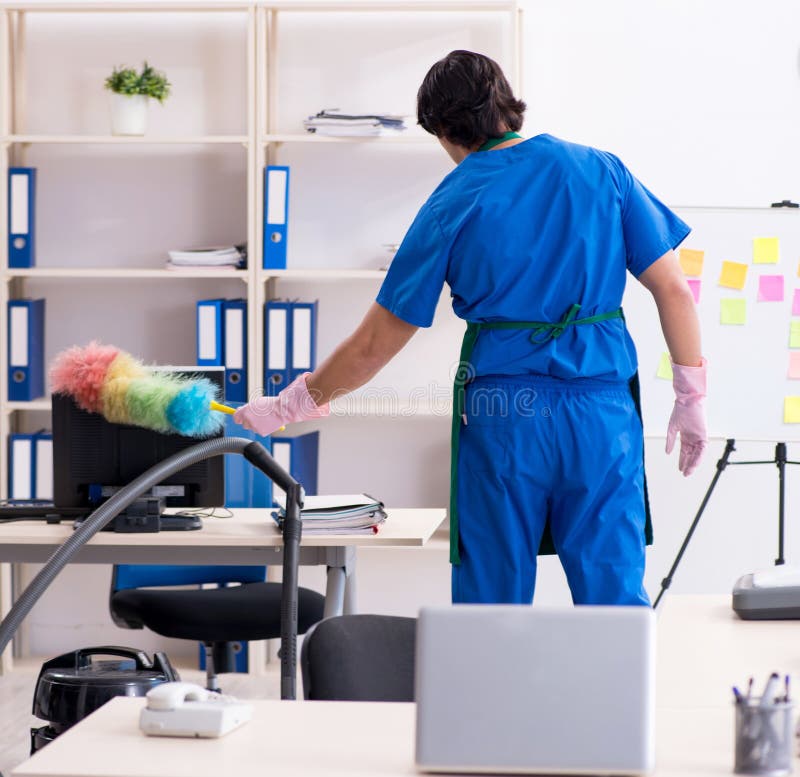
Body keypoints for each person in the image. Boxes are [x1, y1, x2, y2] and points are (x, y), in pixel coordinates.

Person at [234, 50, 707, 607]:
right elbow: (673, 288)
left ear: (443, 130)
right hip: (602, 415)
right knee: (614, 599)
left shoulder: (452, 200)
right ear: (507, 106)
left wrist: (295, 403)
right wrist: (690, 395)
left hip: (505, 418)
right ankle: (617, 696)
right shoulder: (602, 170)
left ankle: (492, 695)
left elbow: (373, 343)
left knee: (492, 606)